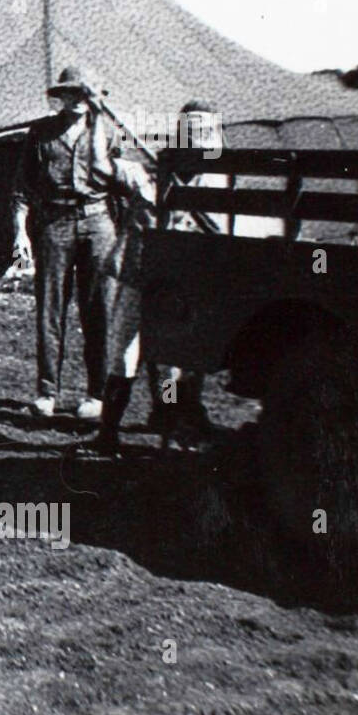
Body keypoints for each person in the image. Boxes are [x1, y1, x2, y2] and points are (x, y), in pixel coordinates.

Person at [88, 100, 222, 455]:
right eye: (191, 141)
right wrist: (96, 116)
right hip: (137, 276)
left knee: (171, 361)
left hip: (177, 285)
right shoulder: (148, 176)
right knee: (124, 353)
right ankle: (108, 432)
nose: (197, 151)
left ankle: (167, 416)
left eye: (204, 143)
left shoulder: (216, 187)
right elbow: (101, 167)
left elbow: (219, 237)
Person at [11, 66, 119, 419]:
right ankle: (47, 393)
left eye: (83, 93)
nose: (77, 100)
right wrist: (20, 232)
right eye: (70, 93)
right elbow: (21, 189)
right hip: (54, 223)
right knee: (50, 309)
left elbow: (123, 183)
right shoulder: (41, 133)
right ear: (61, 96)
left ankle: (97, 394)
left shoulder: (107, 132)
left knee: (99, 308)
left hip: (97, 222)